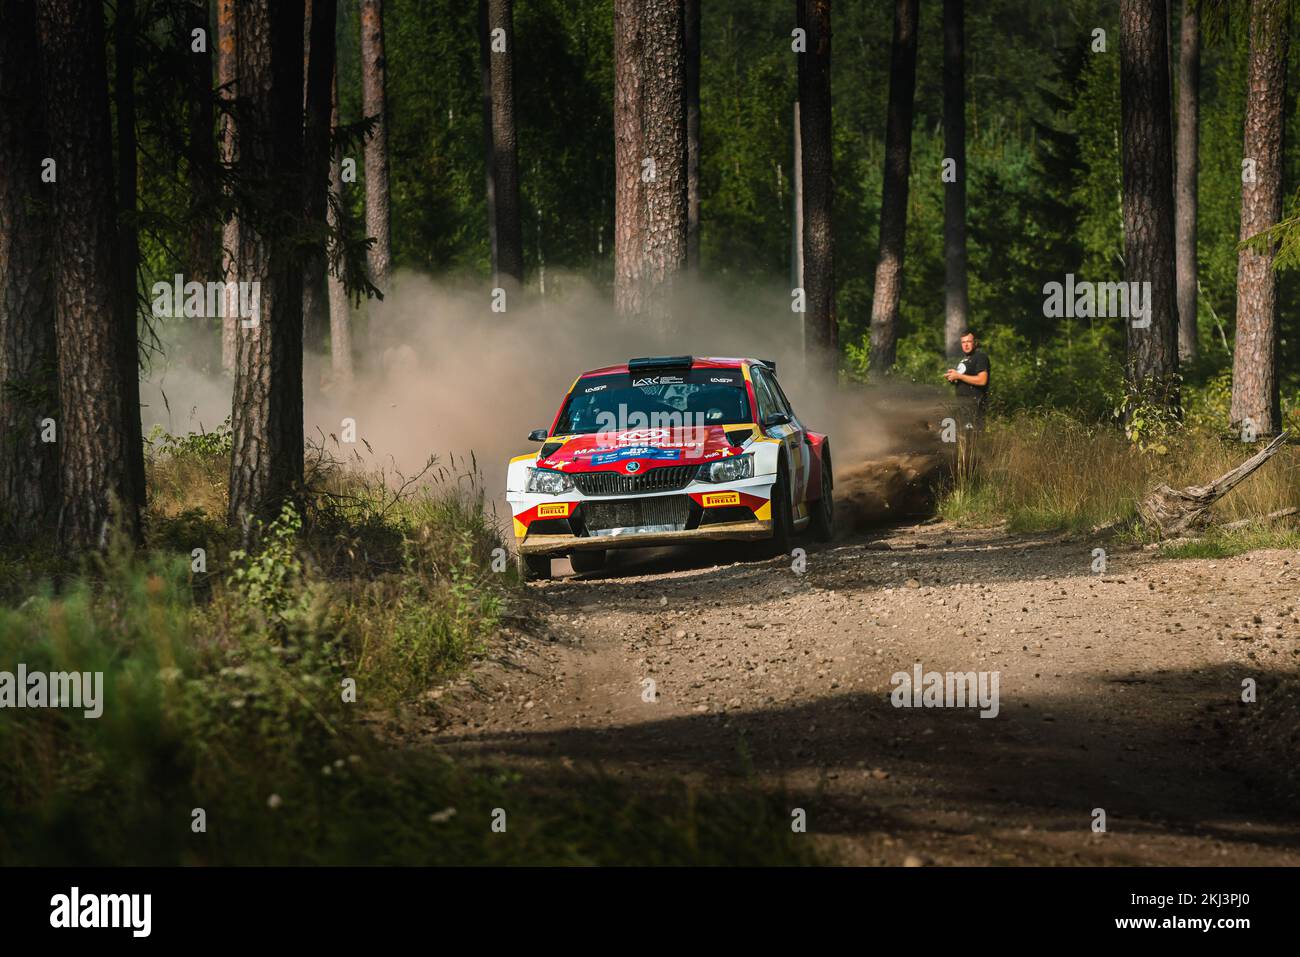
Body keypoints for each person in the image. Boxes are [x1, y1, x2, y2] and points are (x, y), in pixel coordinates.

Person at [944, 330, 990, 431]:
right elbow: (964, 379)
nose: (966, 345)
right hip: (961, 406)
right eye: (963, 342)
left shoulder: (980, 357)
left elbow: (982, 380)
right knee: (958, 438)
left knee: (972, 438)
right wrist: (953, 378)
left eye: (969, 342)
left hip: (974, 405)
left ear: (975, 343)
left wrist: (959, 376)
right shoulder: (964, 360)